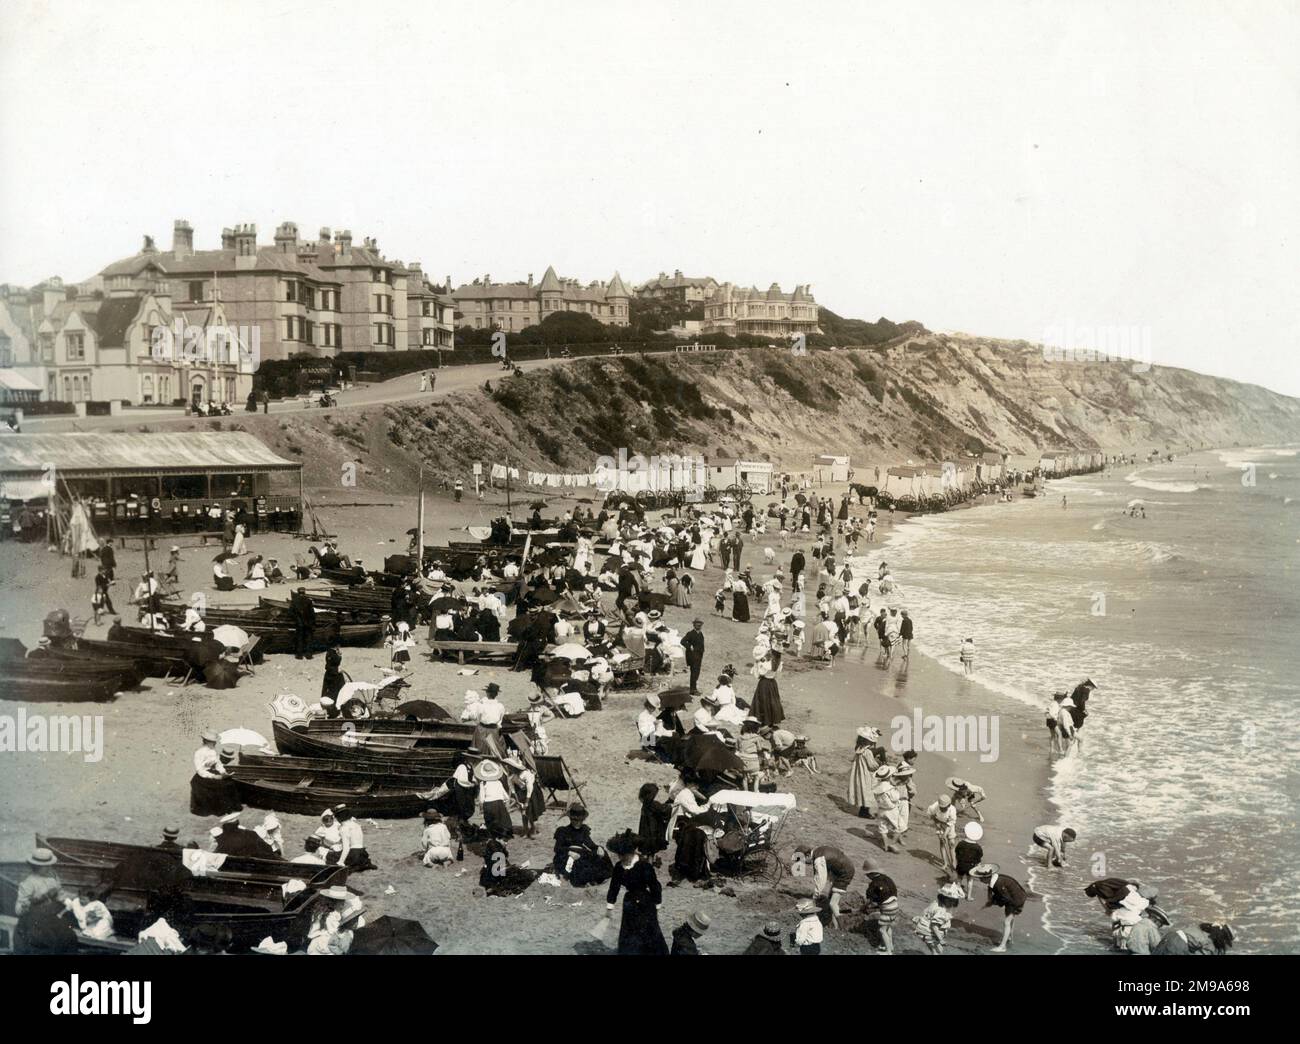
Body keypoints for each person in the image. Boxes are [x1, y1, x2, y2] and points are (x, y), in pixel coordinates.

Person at [606, 831, 668, 955]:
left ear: (631, 852)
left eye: (623, 855)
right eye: (619, 855)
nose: (621, 858)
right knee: (629, 932)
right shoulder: (619, 867)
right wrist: (610, 906)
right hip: (629, 902)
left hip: (645, 903)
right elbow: (614, 887)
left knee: (648, 931)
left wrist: (657, 904)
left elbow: (654, 885)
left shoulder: (644, 866)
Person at [971, 863, 1027, 952]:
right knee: (1010, 919)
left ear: (987, 877)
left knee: (1007, 922)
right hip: (1016, 896)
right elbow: (992, 889)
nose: (980, 880)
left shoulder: (998, 883)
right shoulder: (994, 879)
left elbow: (1005, 898)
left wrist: (994, 902)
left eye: (981, 878)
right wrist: (990, 901)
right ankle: (1009, 938)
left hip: (1016, 899)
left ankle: (1002, 946)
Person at [552, 805, 612, 885]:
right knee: (579, 863)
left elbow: (590, 845)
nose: (577, 822)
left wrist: (599, 848)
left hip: (580, 854)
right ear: (570, 819)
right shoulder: (563, 831)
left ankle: (602, 876)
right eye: (575, 820)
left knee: (601, 853)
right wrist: (569, 852)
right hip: (565, 856)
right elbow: (557, 848)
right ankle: (587, 879)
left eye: (580, 820)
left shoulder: (584, 830)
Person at [801, 844, 855, 929]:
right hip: (841, 870)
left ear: (807, 855)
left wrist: (815, 896)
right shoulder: (818, 851)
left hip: (844, 873)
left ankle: (842, 928)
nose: (803, 863)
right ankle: (835, 927)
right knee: (831, 901)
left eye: (803, 860)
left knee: (833, 903)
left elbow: (821, 880)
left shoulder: (818, 859)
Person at [189, 729, 241, 816]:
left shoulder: (213, 751)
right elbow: (199, 770)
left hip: (214, 772)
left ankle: (229, 808)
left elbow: (218, 764)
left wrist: (223, 772)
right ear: (206, 741)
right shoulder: (199, 753)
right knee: (221, 785)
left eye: (215, 742)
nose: (215, 743)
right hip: (203, 776)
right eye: (213, 742)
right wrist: (214, 776)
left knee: (230, 783)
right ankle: (218, 809)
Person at [914, 883, 964, 954]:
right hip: (930, 934)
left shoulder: (935, 904)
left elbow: (926, 913)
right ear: (944, 899)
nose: (951, 903)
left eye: (953, 901)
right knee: (939, 951)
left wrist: (919, 919)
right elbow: (934, 926)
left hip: (924, 931)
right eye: (950, 900)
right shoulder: (941, 911)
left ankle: (933, 951)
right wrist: (940, 939)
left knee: (936, 949)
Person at [862, 863, 899, 954]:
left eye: (867, 874)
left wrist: (864, 907)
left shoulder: (874, 884)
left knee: (882, 930)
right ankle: (890, 946)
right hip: (895, 905)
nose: (867, 876)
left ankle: (888, 951)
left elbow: (870, 900)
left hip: (887, 908)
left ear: (871, 874)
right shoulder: (887, 879)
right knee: (888, 927)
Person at [847, 727, 881, 818]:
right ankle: (864, 812)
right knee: (868, 792)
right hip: (866, 774)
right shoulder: (868, 752)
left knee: (862, 791)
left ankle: (863, 811)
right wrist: (878, 763)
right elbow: (872, 766)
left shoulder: (859, 750)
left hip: (859, 773)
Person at [475, 759, 513, 840]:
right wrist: (505, 803)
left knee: (491, 824)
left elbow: (481, 799)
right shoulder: (498, 782)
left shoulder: (483, 783)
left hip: (489, 805)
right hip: (499, 804)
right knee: (502, 823)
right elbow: (506, 796)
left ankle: (493, 840)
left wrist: (482, 807)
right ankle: (501, 840)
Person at [750, 650, 785, 726]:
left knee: (763, 700)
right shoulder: (778, 664)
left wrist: (757, 664)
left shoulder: (766, 665)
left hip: (765, 683)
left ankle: (765, 719)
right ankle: (772, 719)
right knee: (773, 700)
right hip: (772, 683)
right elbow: (777, 675)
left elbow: (759, 674)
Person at [873, 764, 903, 852]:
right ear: (889, 776)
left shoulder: (877, 787)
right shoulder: (890, 788)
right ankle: (892, 844)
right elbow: (895, 797)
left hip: (881, 810)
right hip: (891, 810)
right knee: (901, 827)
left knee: (883, 828)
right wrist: (896, 789)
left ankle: (885, 846)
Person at [926, 794, 958, 874]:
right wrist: (936, 822)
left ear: (949, 805)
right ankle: (945, 863)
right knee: (942, 843)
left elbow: (950, 823)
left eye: (944, 808)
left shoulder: (952, 810)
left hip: (949, 825)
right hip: (939, 824)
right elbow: (929, 814)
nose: (942, 809)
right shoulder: (934, 806)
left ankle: (953, 862)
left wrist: (945, 834)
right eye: (941, 807)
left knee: (952, 843)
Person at [335, 804, 374, 869]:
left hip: (353, 854)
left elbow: (346, 848)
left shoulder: (344, 828)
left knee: (329, 855)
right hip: (362, 853)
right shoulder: (357, 825)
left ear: (339, 817)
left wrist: (340, 862)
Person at [637, 783, 672, 854]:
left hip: (645, 831)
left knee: (648, 850)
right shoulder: (654, 804)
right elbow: (664, 811)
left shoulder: (645, 804)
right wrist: (670, 805)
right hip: (653, 831)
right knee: (652, 849)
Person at [955, 821, 984, 899]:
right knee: (970, 880)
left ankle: (956, 893)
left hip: (961, 864)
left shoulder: (960, 843)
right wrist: (978, 866)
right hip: (971, 866)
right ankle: (969, 896)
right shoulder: (977, 847)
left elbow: (957, 853)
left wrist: (957, 862)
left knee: (959, 878)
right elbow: (979, 858)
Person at [290, 587, 316, 659]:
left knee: (299, 639)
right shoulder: (308, 601)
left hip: (299, 623)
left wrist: (296, 619)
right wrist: (313, 623)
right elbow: (312, 613)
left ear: (298, 592)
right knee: (309, 639)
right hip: (308, 623)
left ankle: (299, 655)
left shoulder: (294, 601)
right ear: (304, 592)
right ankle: (309, 655)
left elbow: (290, 612)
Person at [681, 618, 705, 695]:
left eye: (700, 624)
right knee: (694, 673)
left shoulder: (701, 634)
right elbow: (682, 641)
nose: (698, 625)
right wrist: (689, 646)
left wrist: (702, 652)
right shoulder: (690, 633)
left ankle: (694, 688)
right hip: (693, 657)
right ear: (694, 625)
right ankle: (692, 690)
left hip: (699, 657)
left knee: (697, 673)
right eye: (697, 624)